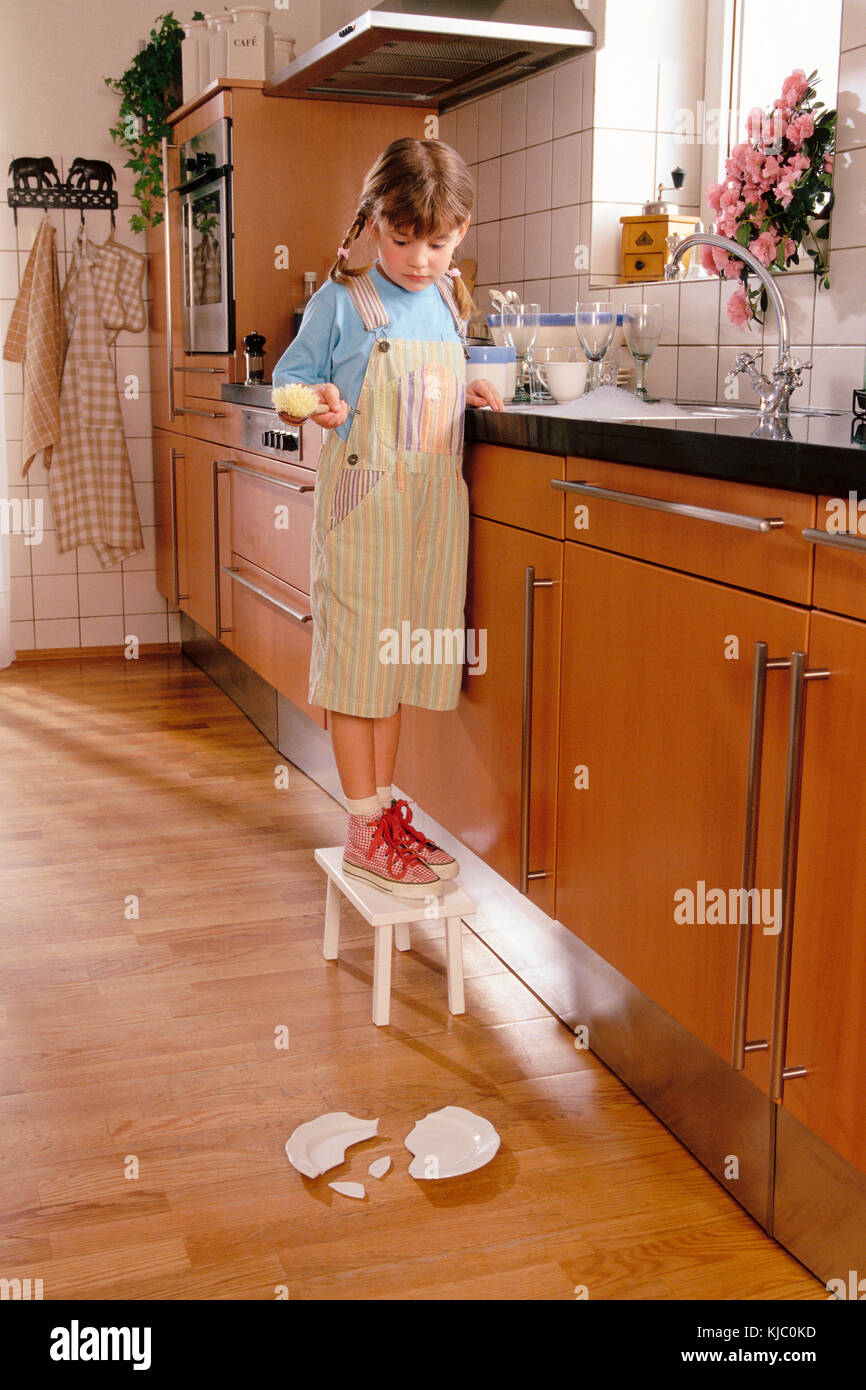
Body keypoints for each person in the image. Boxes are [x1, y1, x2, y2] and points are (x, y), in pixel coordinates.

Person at [272, 137, 504, 899]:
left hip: (429, 520)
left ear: (461, 233)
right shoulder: (343, 303)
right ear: (373, 223)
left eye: (437, 244)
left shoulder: (444, 300)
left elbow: (431, 385)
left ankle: (383, 814)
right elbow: (286, 386)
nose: (420, 260)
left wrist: (464, 389)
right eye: (403, 241)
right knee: (356, 670)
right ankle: (364, 824)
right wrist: (320, 404)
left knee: (395, 669)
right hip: (365, 515)